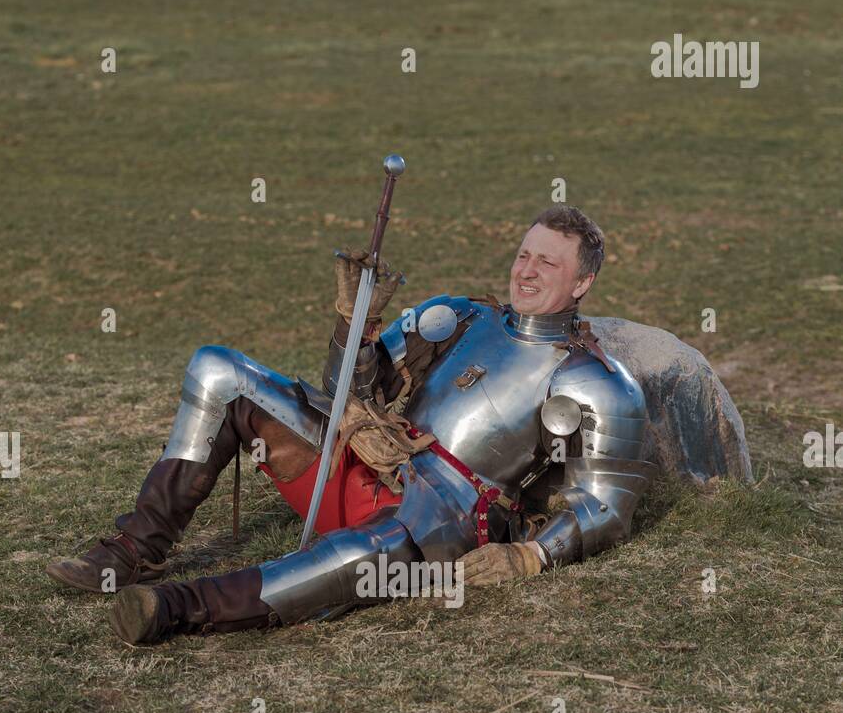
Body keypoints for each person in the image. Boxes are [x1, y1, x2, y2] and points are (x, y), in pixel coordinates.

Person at [45, 204, 655, 644]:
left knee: (353, 557)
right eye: (524, 254)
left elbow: (605, 506)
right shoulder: (461, 318)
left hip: (439, 518)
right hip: (365, 453)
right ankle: (134, 549)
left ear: (581, 282)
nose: (526, 271)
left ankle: (172, 607)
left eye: (547, 264)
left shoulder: (597, 382)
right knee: (218, 368)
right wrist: (355, 325)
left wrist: (530, 557)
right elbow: (349, 395)